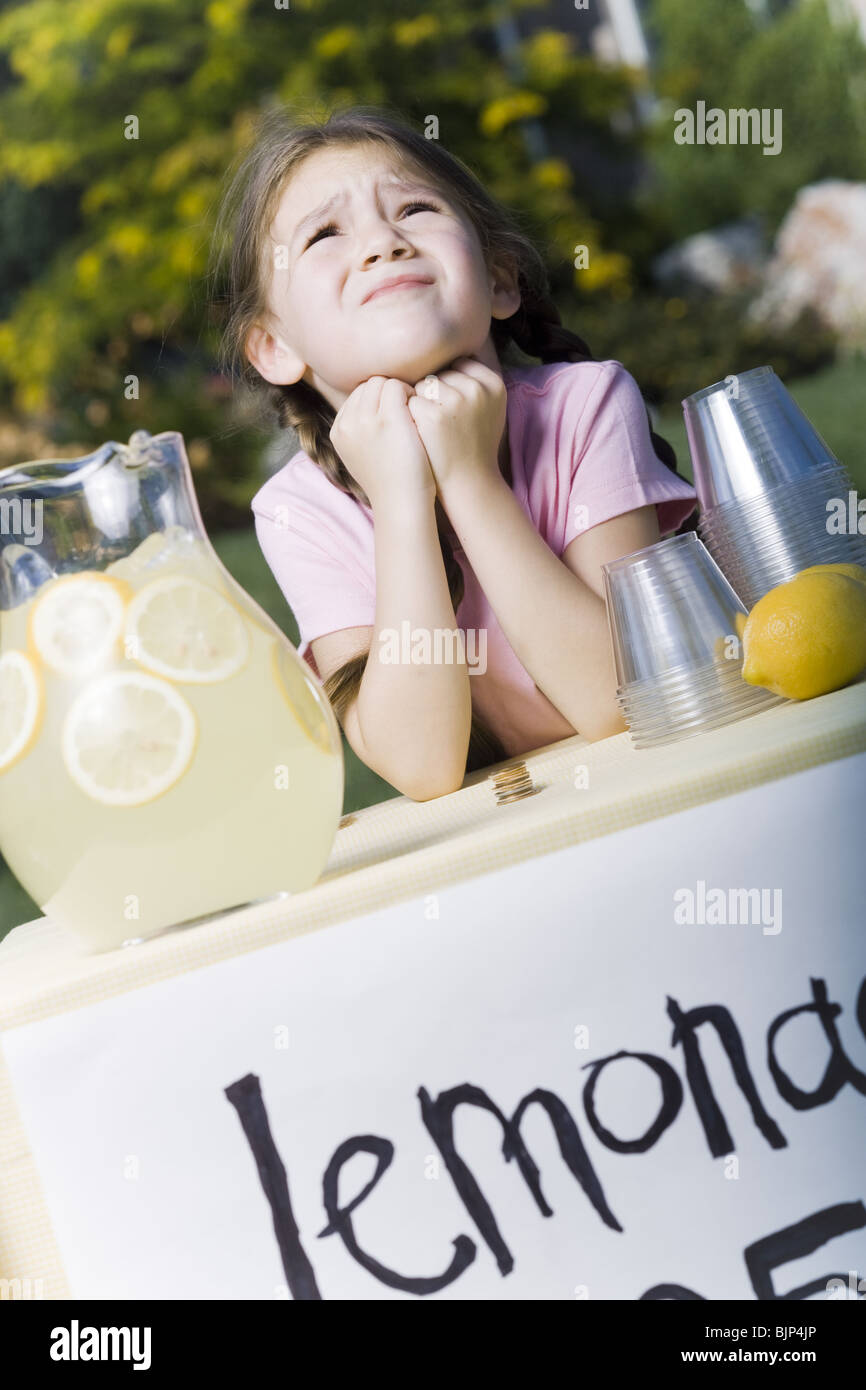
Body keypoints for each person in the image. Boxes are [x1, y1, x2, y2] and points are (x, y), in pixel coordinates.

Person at [208, 105, 698, 800]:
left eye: (413, 209)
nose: (383, 243)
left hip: (674, 783)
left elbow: (622, 701)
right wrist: (404, 501)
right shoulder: (297, 511)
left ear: (500, 281)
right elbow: (422, 766)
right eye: (324, 234)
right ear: (275, 347)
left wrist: (470, 481)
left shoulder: (585, 405)